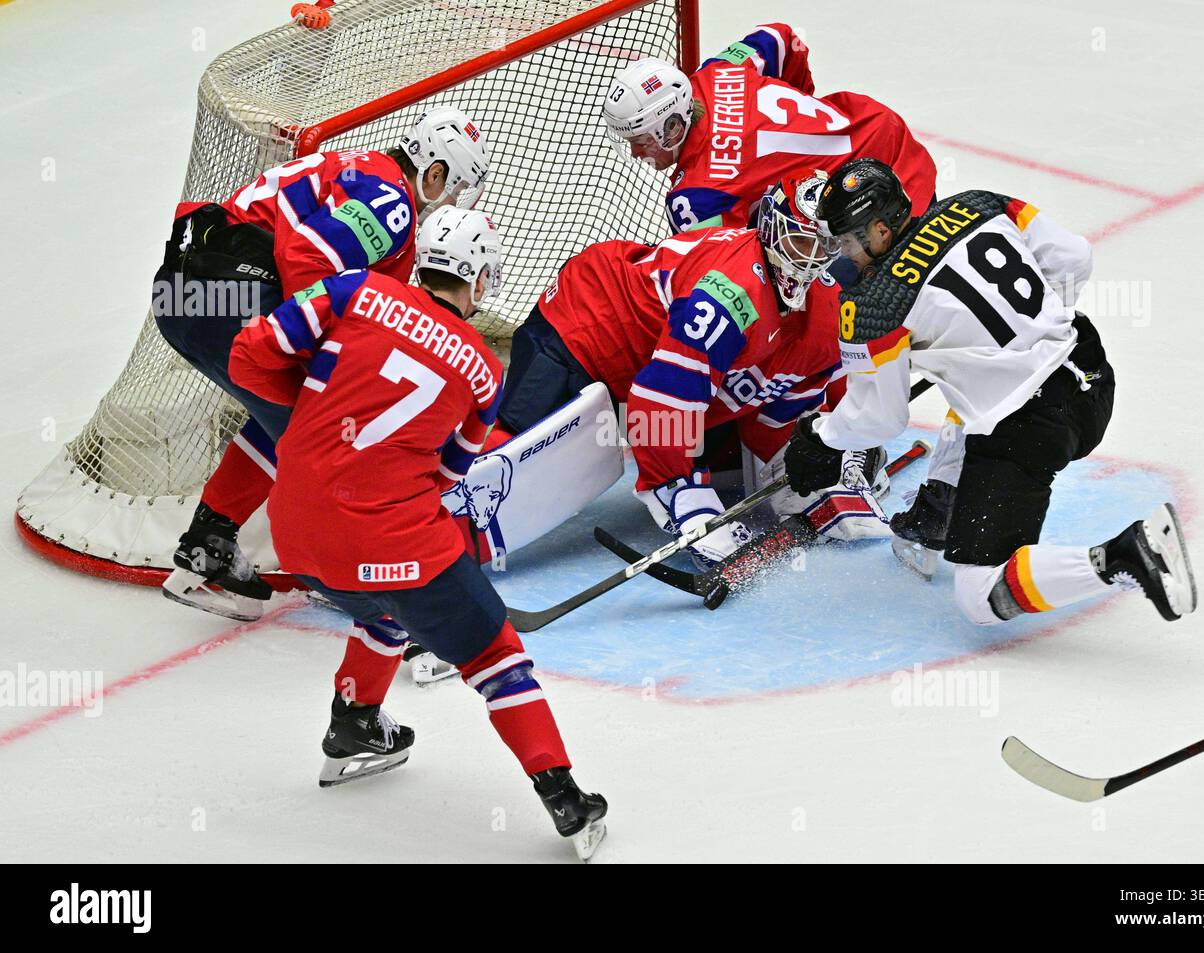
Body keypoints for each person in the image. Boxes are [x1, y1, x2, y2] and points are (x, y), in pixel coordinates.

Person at [226, 206, 607, 858]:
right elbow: (450, 473)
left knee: (385, 601)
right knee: (495, 656)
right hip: (392, 542)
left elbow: (248, 355)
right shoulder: (486, 370)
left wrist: (312, 424)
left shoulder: (352, 289)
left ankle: (353, 726)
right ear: (480, 278)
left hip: (298, 533)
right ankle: (565, 797)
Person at [782, 158, 1197, 625]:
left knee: (978, 597)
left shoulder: (871, 307)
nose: (841, 255)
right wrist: (1030, 335)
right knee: (975, 398)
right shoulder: (978, 206)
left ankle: (1124, 555)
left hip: (1032, 429)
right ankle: (945, 495)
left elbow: (877, 417)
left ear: (880, 231)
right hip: (1090, 373)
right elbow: (1074, 257)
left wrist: (819, 437)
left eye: (846, 241)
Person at [154, 107, 490, 619]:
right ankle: (346, 575)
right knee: (326, 429)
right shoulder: (392, 200)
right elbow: (308, 258)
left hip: (189, 297)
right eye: (455, 188)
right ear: (436, 172)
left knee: (296, 413)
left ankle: (208, 542)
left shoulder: (371, 176)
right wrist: (306, 339)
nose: (452, 202)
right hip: (230, 293)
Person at [491, 171, 891, 569]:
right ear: (769, 227)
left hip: (657, 364)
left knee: (725, 456)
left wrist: (796, 464)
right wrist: (680, 491)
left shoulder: (827, 303)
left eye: (824, 246)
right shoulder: (728, 292)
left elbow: (790, 386)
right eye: (800, 240)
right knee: (504, 458)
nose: (810, 260)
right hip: (587, 326)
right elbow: (662, 396)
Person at [601, 22, 936, 235]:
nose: (634, 151)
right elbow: (780, 37)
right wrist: (802, 116)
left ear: (672, 127)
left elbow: (720, 270)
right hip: (877, 126)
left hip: (873, 196)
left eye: (641, 141)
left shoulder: (697, 194)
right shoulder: (717, 70)